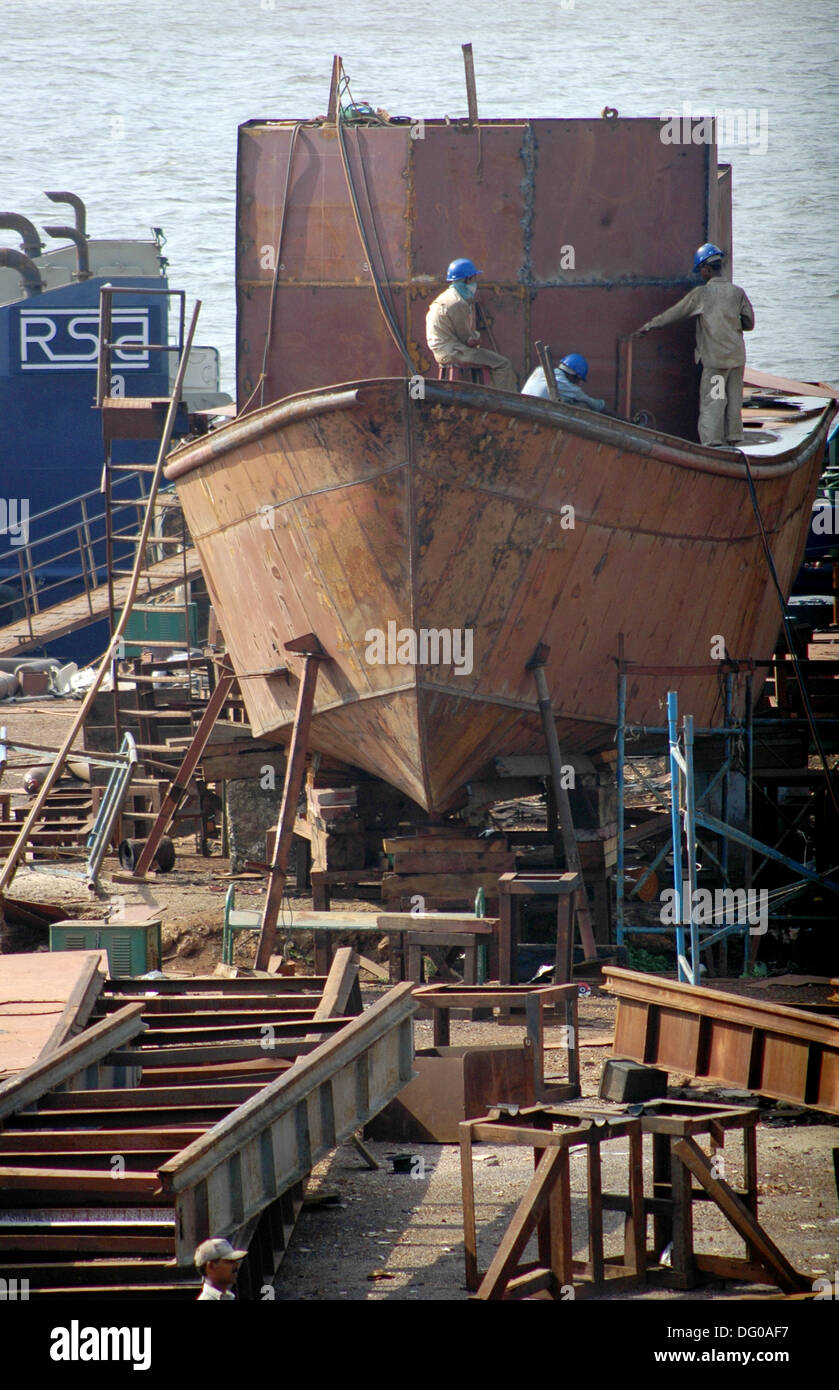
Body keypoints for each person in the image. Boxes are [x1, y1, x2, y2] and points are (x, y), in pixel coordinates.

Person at [637, 243, 755, 446]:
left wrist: (651, 325)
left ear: (707, 269)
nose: (700, 273)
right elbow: (749, 322)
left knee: (715, 401)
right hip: (736, 359)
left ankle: (712, 444)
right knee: (734, 401)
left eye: (700, 269)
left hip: (717, 362)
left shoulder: (702, 294)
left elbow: (676, 312)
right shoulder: (737, 293)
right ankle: (734, 438)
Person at [425, 258, 517, 391]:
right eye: (474, 279)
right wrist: (476, 337)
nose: (475, 283)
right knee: (503, 364)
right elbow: (466, 338)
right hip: (452, 352)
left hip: (443, 350)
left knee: (488, 359)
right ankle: (504, 402)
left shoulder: (446, 297)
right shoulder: (457, 303)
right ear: (467, 279)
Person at [521, 353, 606, 412]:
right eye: (578, 380)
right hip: (539, 415)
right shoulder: (568, 387)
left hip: (522, 407)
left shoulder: (539, 370)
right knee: (583, 406)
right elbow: (594, 404)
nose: (577, 383)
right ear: (574, 376)